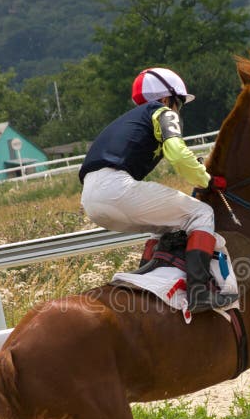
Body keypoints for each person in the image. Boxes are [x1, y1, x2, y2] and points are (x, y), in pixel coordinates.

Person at [79, 67, 237, 313]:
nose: (178, 110)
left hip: (91, 200)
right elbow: (178, 155)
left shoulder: (132, 120)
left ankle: (147, 278)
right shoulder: (162, 112)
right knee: (201, 213)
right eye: (179, 103)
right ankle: (198, 292)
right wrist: (206, 180)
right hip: (115, 188)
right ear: (166, 99)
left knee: (167, 224)